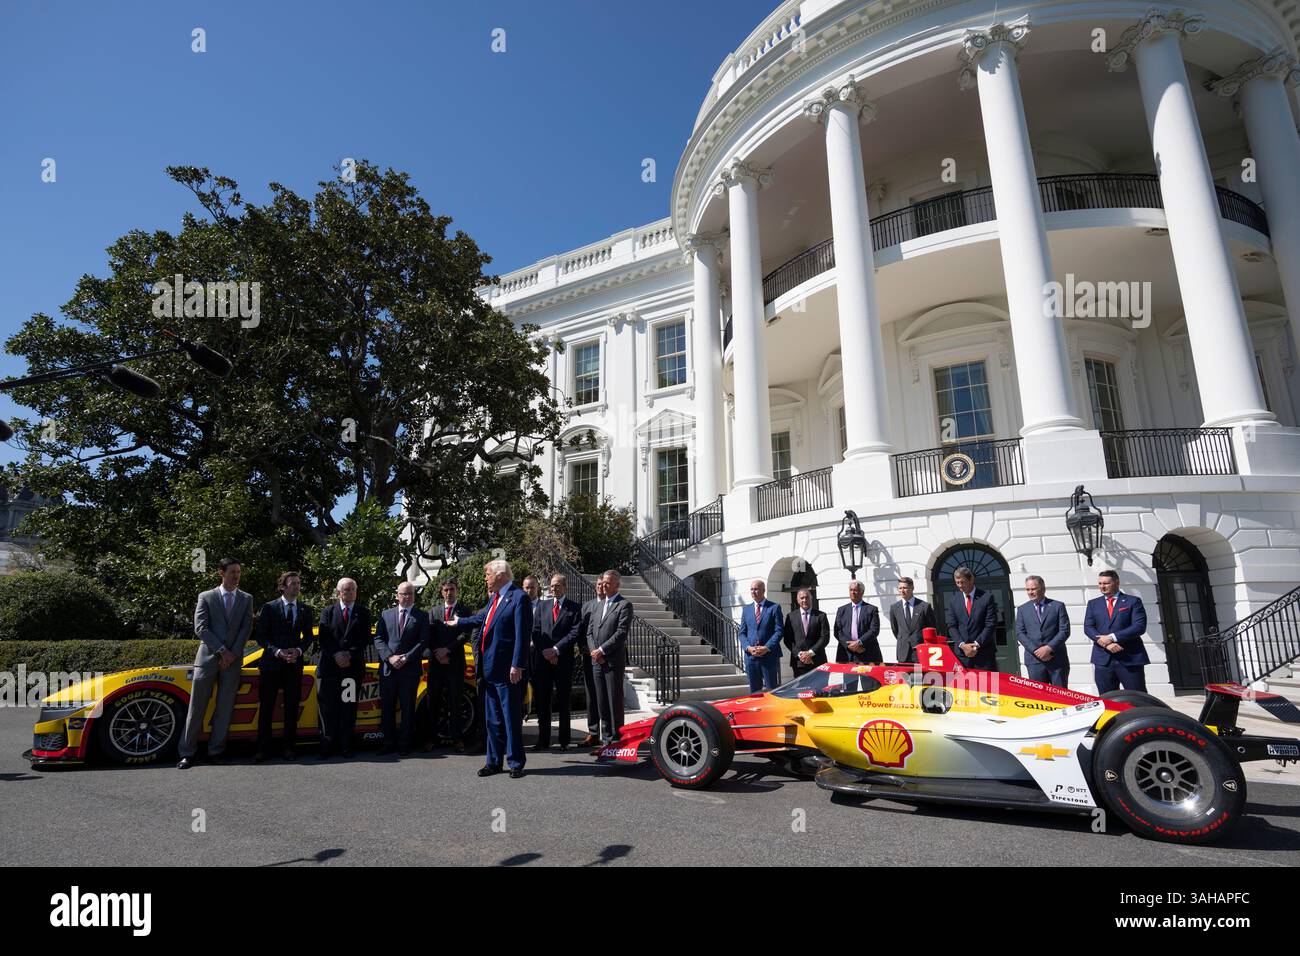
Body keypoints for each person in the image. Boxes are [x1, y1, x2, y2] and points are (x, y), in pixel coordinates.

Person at [448, 559, 531, 777]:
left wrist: (517, 664)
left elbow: (522, 635)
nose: (485, 578)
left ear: (500, 575)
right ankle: (493, 762)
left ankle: (515, 763)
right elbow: (481, 618)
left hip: (507, 670)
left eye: (487, 574)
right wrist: (458, 623)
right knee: (492, 718)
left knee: (510, 718)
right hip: (489, 668)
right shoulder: (495, 598)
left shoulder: (518, 597)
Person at [178, 558, 254, 769]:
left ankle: (216, 751)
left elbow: (246, 628)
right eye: (232, 572)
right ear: (221, 573)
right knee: (197, 707)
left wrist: (233, 654)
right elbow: (200, 628)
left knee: (225, 707)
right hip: (208, 659)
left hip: (233, 661)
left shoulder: (246, 598)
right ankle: (187, 752)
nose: (236, 576)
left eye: (239, 572)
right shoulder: (206, 597)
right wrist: (222, 651)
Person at [254, 571, 314, 761]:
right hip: (271, 665)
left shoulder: (305, 609)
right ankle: (263, 749)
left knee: (291, 707)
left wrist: (298, 650)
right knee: (267, 707)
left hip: (293, 665)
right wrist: (277, 652)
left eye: (298, 583)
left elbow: (309, 637)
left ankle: (289, 747)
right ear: (283, 586)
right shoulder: (269, 607)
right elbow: (261, 637)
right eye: (293, 583)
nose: (297, 586)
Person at [316, 578, 372, 758]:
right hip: (331, 669)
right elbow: (324, 637)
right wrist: (337, 655)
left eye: (353, 590)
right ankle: (327, 745)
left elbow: (364, 639)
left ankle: (346, 746)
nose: (350, 593)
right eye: (346, 590)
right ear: (339, 592)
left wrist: (349, 655)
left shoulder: (363, 613)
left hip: (351, 669)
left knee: (348, 708)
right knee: (328, 709)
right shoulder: (328, 611)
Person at [576, 570, 632, 744]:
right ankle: (606, 740)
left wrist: (602, 650)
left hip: (612, 661)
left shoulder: (624, 605)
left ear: (617, 585)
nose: (604, 585)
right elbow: (590, 632)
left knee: (614, 701)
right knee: (601, 702)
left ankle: (617, 739)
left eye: (608, 582)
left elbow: (621, 633)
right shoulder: (598, 605)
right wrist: (594, 652)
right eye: (603, 582)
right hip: (596, 661)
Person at [374, 581, 429, 755]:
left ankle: (405, 744)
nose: (407, 597)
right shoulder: (385, 614)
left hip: (409, 670)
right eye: (403, 594)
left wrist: (406, 657)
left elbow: (423, 641)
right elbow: (378, 639)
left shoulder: (421, 616)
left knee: (407, 708)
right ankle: (387, 743)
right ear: (397, 595)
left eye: (410, 593)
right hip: (389, 669)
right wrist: (390, 657)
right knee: (387, 708)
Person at [531, 573, 583, 751]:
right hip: (543, 661)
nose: (553, 588)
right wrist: (546, 652)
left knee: (563, 702)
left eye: (557, 586)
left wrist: (555, 650)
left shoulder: (574, 608)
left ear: (565, 587)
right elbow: (536, 631)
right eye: (552, 586)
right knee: (543, 702)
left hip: (563, 661)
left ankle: (564, 740)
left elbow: (574, 633)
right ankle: (543, 740)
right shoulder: (543, 606)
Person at [1084, 570, 1149, 692]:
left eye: (1106, 583)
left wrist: (1112, 637)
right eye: (1100, 583)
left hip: (1129, 658)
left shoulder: (1133, 601)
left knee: (1137, 698)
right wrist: (1106, 643)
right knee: (1108, 701)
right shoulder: (1093, 604)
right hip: (1103, 660)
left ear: (1117, 583)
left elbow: (1139, 626)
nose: (1102, 586)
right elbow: (1088, 627)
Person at [428, 578, 472, 752]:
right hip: (436, 663)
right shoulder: (433, 612)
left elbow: (464, 635)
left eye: (452, 589)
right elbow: (429, 636)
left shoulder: (465, 611)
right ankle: (431, 739)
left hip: (454, 662)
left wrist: (447, 650)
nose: (449, 593)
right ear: (441, 592)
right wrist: (438, 652)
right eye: (446, 590)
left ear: (457, 591)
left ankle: (457, 739)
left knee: (455, 703)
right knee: (433, 703)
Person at [1015, 575, 1071, 687]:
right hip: (1034, 661)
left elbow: (1064, 630)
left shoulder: (1057, 606)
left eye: (1033, 589)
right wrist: (1036, 651)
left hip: (1057, 659)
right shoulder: (1022, 609)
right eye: (1028, 589)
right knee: (1039, 699)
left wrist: (1048, 648)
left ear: (1043, 589)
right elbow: (1020, 633)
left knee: (1061, 697)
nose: (1030, 592)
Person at [945, 566, 999, 671]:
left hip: (984, 654)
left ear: (971, 580)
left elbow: (990, 624)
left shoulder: (987, 597)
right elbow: (952, 626)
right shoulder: (953, 601)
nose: (960, 586)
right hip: (962, 656)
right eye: (957, 583)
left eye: (962, 582)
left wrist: (976, 645)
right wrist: (963, 645)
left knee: (987, 686)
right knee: (963, 687)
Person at [577, 577, 607, 747]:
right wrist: (588, 650)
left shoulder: (614, 605)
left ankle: (609, 734)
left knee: (607, 697)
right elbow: (581, 632)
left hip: (607, 658)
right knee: (592, 696)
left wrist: (603, 652)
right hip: (589, 657)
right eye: (598, 585)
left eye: (603, 585)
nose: (600, 588)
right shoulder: (587, 606)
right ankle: (593, 733)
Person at [738, 579, 784, 691]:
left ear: (763, 590)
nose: (753, 592)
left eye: (756, 589)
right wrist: (748, 648)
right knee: (754, 692)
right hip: (751, 658)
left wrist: (766, 647)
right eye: (752, 589)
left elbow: (779, 631)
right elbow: (742, 633)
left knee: (772, 690)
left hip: (769, 656)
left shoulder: (774, 607)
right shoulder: (746, 610)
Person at [888, 577, 936, 664]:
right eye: (900, 588)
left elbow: (931, 628)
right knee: (904, 677)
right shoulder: (894, 608)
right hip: (903, 653)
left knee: (918, 677)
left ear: (912, 588)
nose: (902, 591)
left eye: (905, 588)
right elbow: (895, 629)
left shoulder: (924, 606)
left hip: (920, 652)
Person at [782, 587, 828, 677]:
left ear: (811, 598)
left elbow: (825, 637)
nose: (805, 600)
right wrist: (801, 654)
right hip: (799, 662)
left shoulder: (821, 616)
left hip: (818, 660)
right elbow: (788, 639)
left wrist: (810, 653)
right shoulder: (790, 617)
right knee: (801, 690)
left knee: (819, 690)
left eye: (807, 597)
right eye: (802, 598)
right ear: (797, 600)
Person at [834, 580, 882, 664]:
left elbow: (874, 630)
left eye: (855, 590)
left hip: (867, 652)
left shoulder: (871, 609)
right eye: (851, 590)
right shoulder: (841, 610)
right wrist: (850, 646)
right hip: (847, 654)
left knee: (868, 677)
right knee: (849, 677)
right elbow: (838, 631)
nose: (853, 592)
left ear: (862, 592)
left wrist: (859, 643)